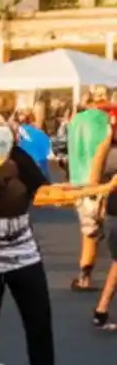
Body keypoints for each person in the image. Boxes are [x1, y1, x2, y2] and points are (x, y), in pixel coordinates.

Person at [0, 124, 115, 365]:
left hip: (22, 247)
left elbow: (46, 191)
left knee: (37, 314)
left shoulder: (19, 158)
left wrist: (91, 189)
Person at [67, 87, 113, 291]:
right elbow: (102, 151)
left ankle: (84, 276)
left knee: (89, 232)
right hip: (102, 181)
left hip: (79, 181)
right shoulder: (104, 121)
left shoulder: (75, 121)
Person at [91, 112, 117, 331]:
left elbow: (94, 180)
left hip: (111, 211)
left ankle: (101, 309)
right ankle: (101, 309)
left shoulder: (105, 149)